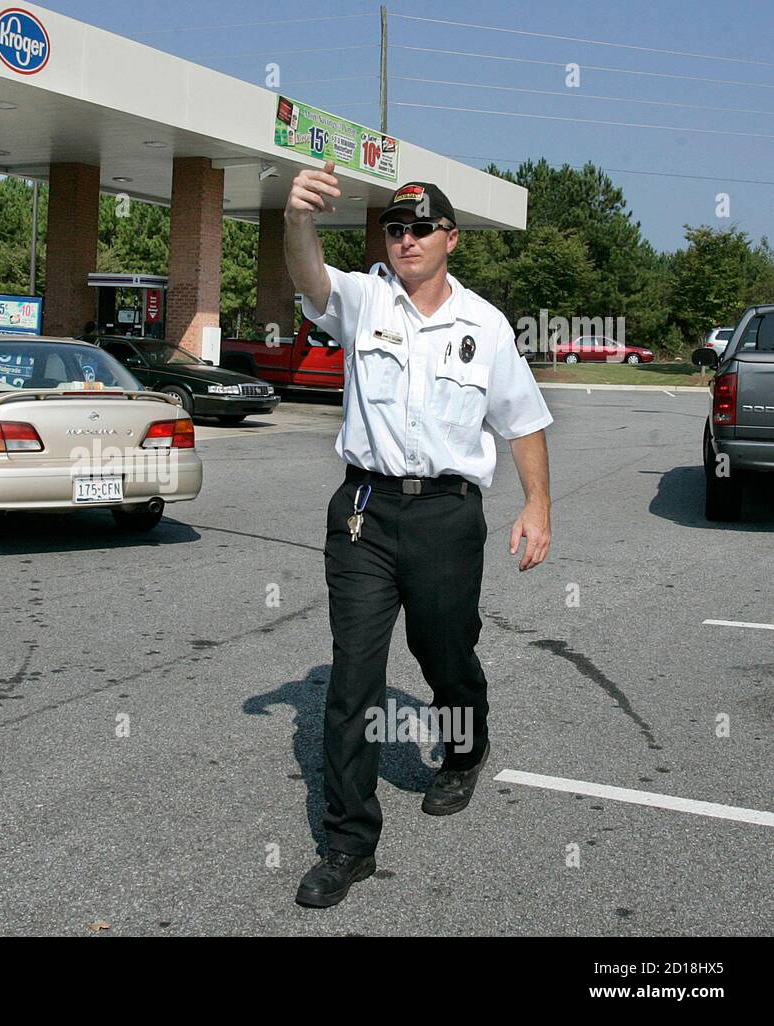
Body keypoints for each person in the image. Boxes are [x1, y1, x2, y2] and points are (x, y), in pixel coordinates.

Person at [285, 165, 554, 909]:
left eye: (420, 228)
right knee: (354, 678)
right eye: (394, 229)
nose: (405, 239)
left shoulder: (485, 325)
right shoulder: (364, 298)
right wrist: (297, 220)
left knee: (445, 652)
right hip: (365, 513)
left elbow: (523, 420)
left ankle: (465, 748)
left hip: (446, 515)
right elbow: (310, 278)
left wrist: (537, 506)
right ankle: (348, 844)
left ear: (451, 239)